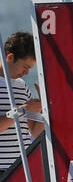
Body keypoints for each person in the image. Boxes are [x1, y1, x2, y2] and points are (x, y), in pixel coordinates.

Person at [0, 31, 45, 172]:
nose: (27, 73)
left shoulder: (22, 85)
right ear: (10, 57)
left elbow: (34, 132)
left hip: (21, 169)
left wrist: (45, 108)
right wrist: (23, 110)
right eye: (25, 67)